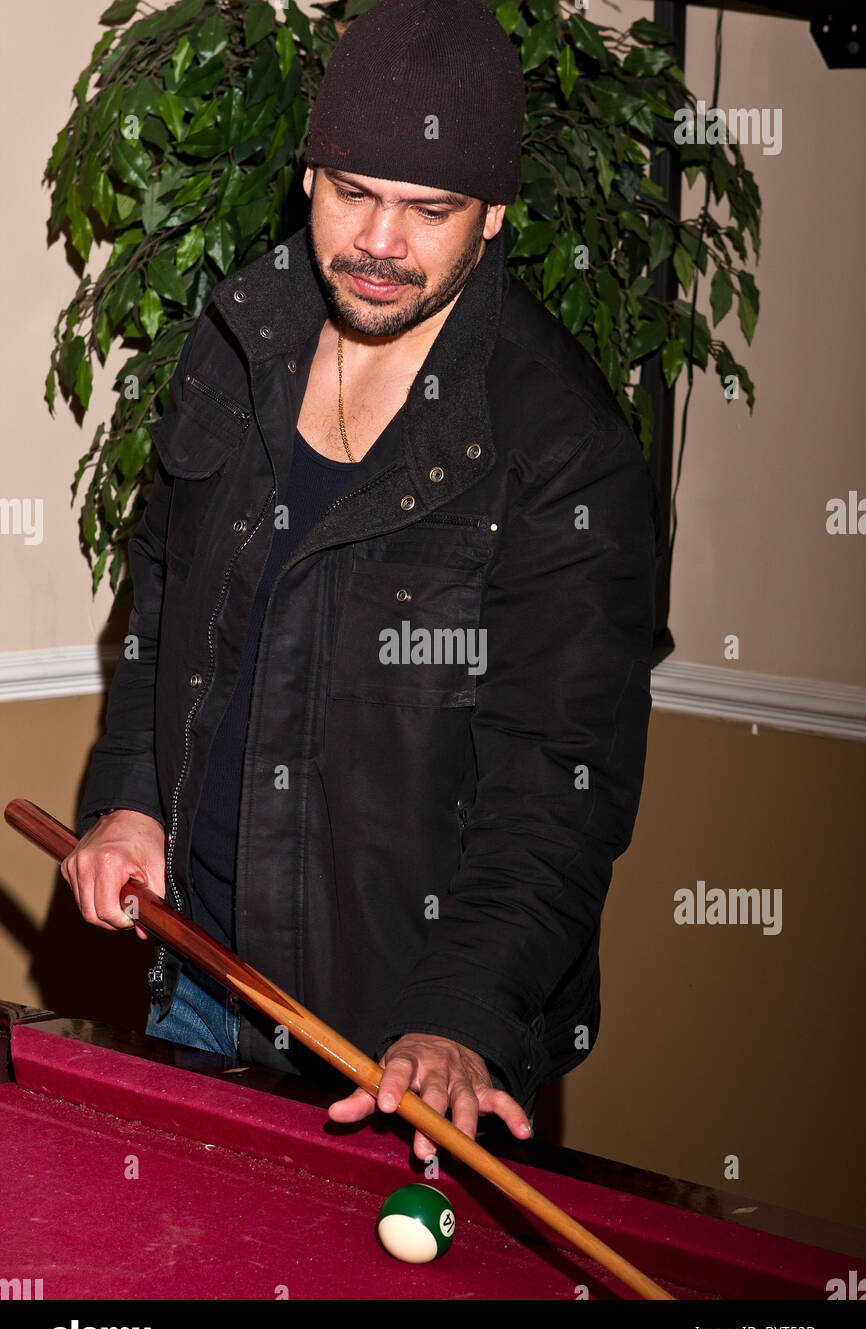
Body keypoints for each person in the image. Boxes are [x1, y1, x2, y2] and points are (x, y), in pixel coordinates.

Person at [61, 0, 664, 1160]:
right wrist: (131, 794)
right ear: (307, 177)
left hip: (400, 1049)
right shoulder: (235, 342)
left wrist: (461, 1017)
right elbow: (159, 593)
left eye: (429, 210)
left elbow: (557, 785)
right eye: (351, 191)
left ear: (490, 219)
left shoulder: (564, 447)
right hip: (200, 984)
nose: (379, 242)